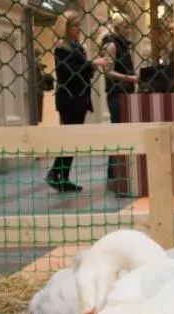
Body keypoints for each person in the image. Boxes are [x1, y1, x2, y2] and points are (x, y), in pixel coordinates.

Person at [47, 13, 127, 193]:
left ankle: (62, 177)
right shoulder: (61, 47)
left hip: (80, 98)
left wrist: (92, 65)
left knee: (72, 140)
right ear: (67, 28)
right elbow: (69, 71)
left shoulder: (77, 47)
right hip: (69, 99)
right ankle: (55, 173)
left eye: (79, 25)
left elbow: (85, 72)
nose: (79, 29)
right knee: (70, 139)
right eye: (75, 26)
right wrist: (92, 64)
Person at [96, 15, 140, 192]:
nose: (129, 30)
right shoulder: (112, 45)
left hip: (125, 93)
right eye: (126, 26)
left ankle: (118, 174)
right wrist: (129, 78)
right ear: (118, 28)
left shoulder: (123, 45)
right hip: (116, 95)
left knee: (123, 133)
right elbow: (108, 71)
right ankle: (113, 176)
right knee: (118, 133)